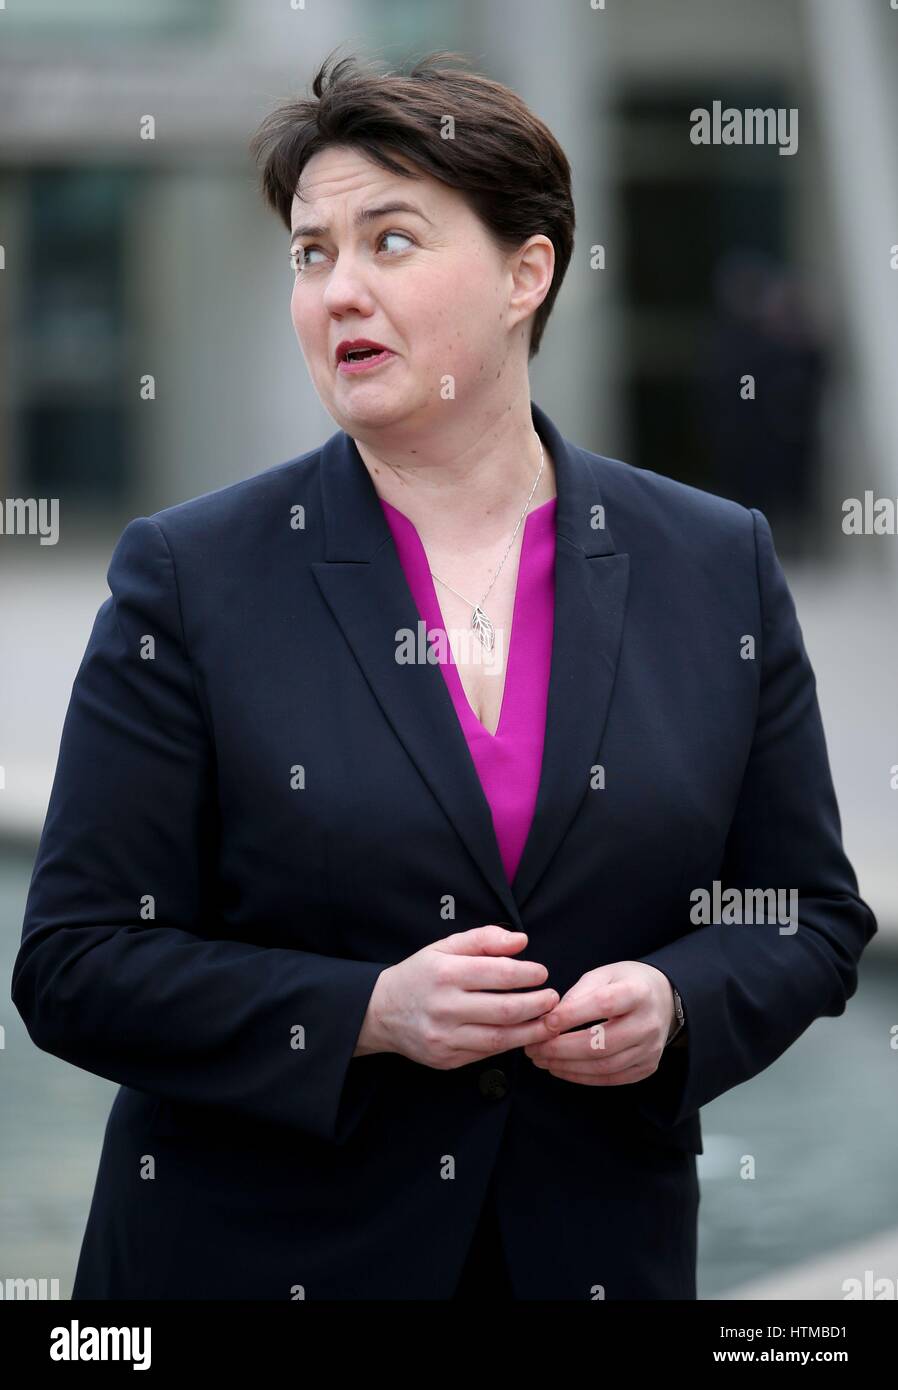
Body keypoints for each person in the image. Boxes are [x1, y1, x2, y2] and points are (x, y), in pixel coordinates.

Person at [12, 49, 876, 1301]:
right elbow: (74, 964)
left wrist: (677, 1001)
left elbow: (805, 910)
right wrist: (367, 1010)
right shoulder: (192, 576)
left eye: (392, 241)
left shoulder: (714, 562)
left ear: (528, 272)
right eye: (312, 254)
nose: (337, 291)